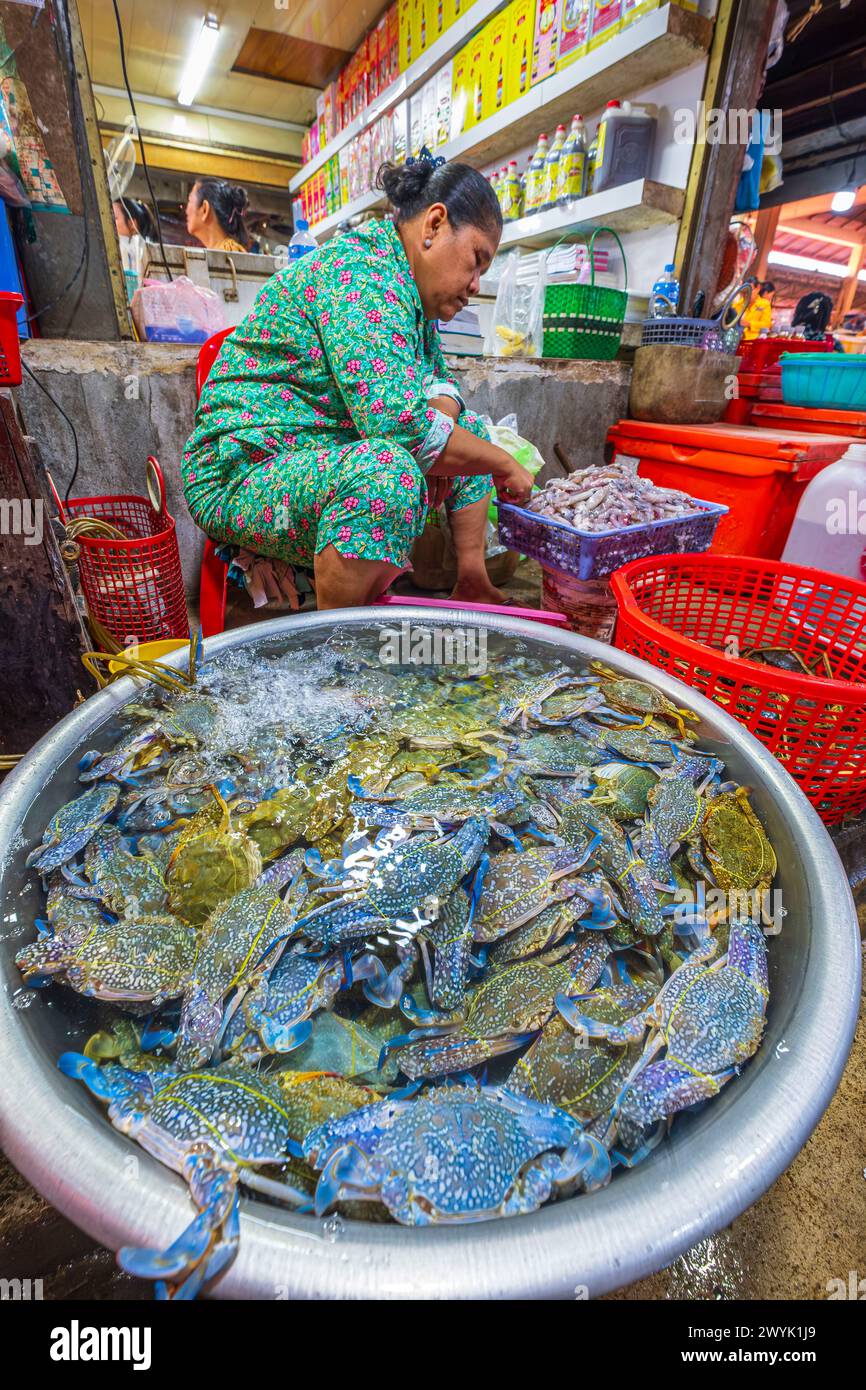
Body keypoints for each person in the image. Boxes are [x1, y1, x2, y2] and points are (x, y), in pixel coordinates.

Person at [182, 152, 534, 610]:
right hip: (242, 469)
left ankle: (471, 579)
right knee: (391, 473)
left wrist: (443, 434)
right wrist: (503, 463)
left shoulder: (408, 293)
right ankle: (338, 652)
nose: (475, 285)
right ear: (433, 225)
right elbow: (399, 427)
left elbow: (440, 388)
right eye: (476, 260)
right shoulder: (363, 274)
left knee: (467, 437)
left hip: (310, 458)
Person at [185, 178, 250, 252]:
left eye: (190, 201)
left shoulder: (228, 252)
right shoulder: (222, 251)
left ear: (205, 210)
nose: (186, 211)